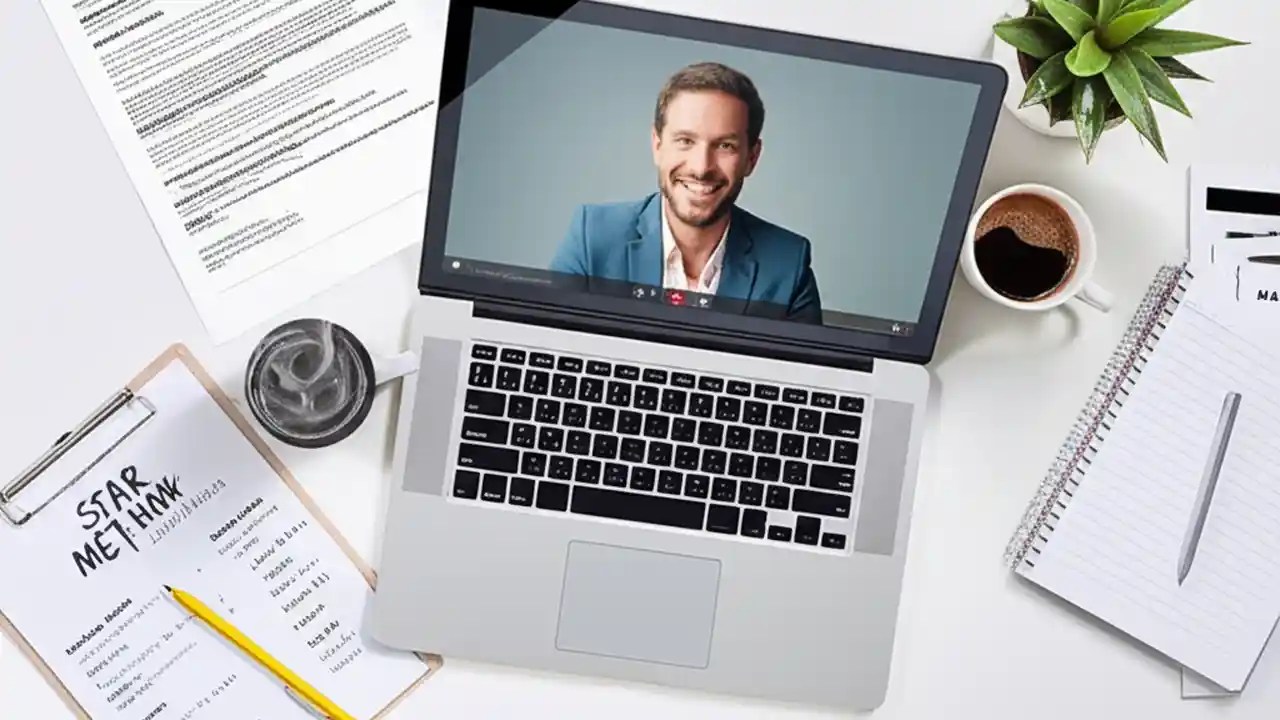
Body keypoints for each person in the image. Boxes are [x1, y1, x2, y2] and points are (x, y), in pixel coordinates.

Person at [549, 62, 823, 323]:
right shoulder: (592, 237)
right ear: (657, 145)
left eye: (725, 146)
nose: (701, 168)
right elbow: (550, 342)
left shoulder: (788, 263)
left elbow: (807, 370)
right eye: (685, 141)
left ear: (752, 157)